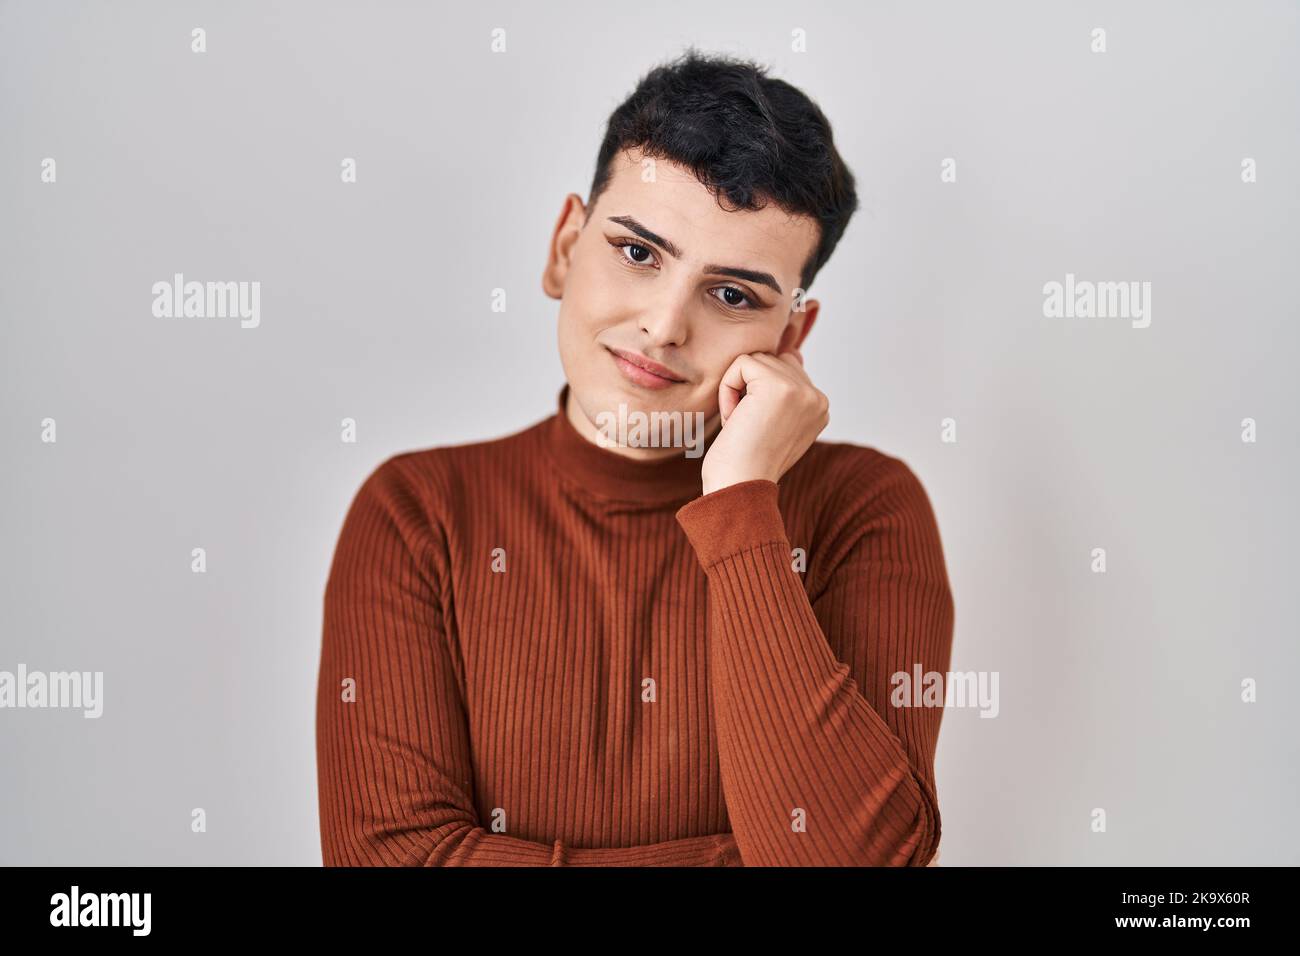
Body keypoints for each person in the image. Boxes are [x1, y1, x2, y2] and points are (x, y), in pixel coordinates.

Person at [315, 47, 954, 866]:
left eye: (731, 295)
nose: (663, 325)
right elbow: (389, 859)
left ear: (791, 337)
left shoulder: (865, 507)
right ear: (563, 247)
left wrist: (742, 506)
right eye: (638, 252)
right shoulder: (418, 510)